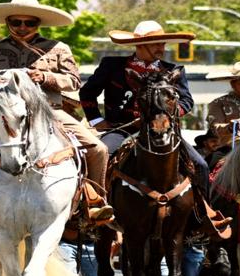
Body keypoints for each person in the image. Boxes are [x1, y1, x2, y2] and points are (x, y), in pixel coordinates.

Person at [0, 0, 105, 224]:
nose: (22, 27)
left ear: (38, 23)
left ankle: (94, 201)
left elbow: (74, 81)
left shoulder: (58, 49)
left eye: (29, 22)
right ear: (7, 23)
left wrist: (45, 77)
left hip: (50, 112)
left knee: (98, 148)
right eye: (16, 22)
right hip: (2, 116)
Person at [79, 20, 207, 184]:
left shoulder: (174, 70)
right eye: (156, 44)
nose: (162, 48)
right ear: (139, 45)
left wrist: (167, 117)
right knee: (99, 155)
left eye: (163, 43)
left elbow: (187, 100)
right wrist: (97, 120)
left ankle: (204, 209)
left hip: (164, 132)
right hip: (120, 130)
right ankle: (95, 204)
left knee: (201, 165)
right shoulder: (112, 65)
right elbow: (87, 92)